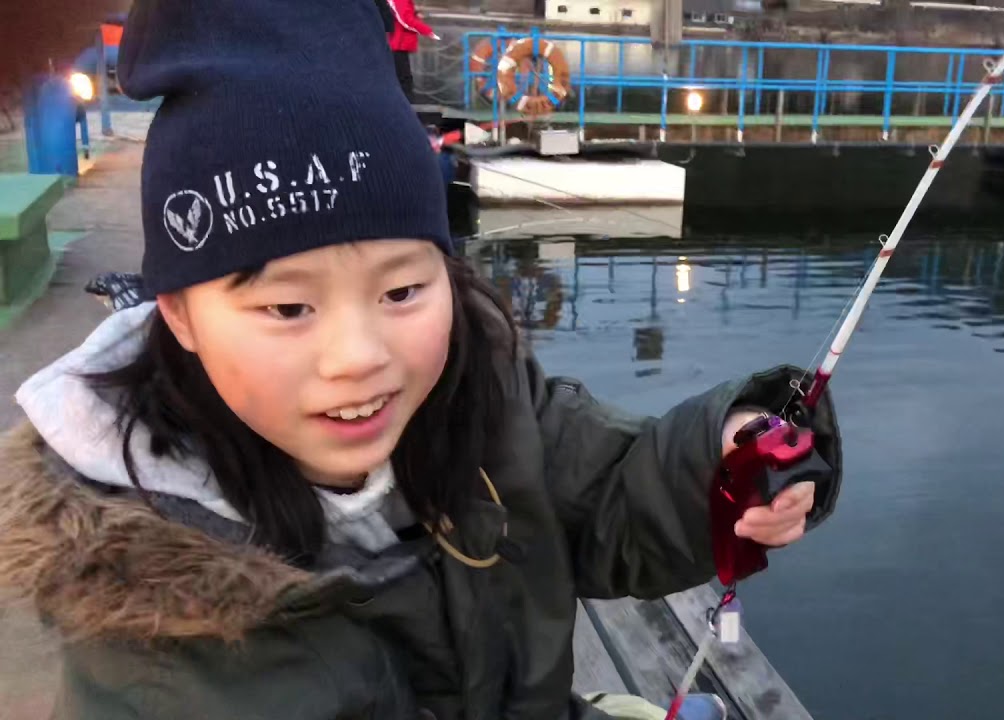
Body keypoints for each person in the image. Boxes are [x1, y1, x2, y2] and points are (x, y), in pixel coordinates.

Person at [0, 0, 843, 718]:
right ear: (179, 313)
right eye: (288, 307)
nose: (360, 358)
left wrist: (731, 456)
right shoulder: (153, 660)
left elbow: (613, 500)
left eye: (402, 291)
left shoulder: (485, 395)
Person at [385, 0, 440, 101]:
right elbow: (405, 19)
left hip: (397, 43)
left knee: (402, 77)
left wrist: (415, 14)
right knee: (403, 79)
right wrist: (427, 30)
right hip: (399, 42)